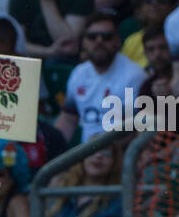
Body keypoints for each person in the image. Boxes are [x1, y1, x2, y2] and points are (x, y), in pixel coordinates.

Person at [57, 14, 145, 143]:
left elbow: (134, 130)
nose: (99, 41)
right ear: (84, 42)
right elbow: (68, 119)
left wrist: (103, 153)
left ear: (117, 41)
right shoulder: (79, 73)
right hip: (86, 156)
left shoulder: (134, 75)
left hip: (118, 154)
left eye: (106, 37)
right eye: (92, 37)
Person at [45, 145, 124, 217]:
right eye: (92, 151)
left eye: (106, 153)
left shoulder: (117, 204)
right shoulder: (63, 193)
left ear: (114, 163)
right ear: (82, 156)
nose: (98, 156)